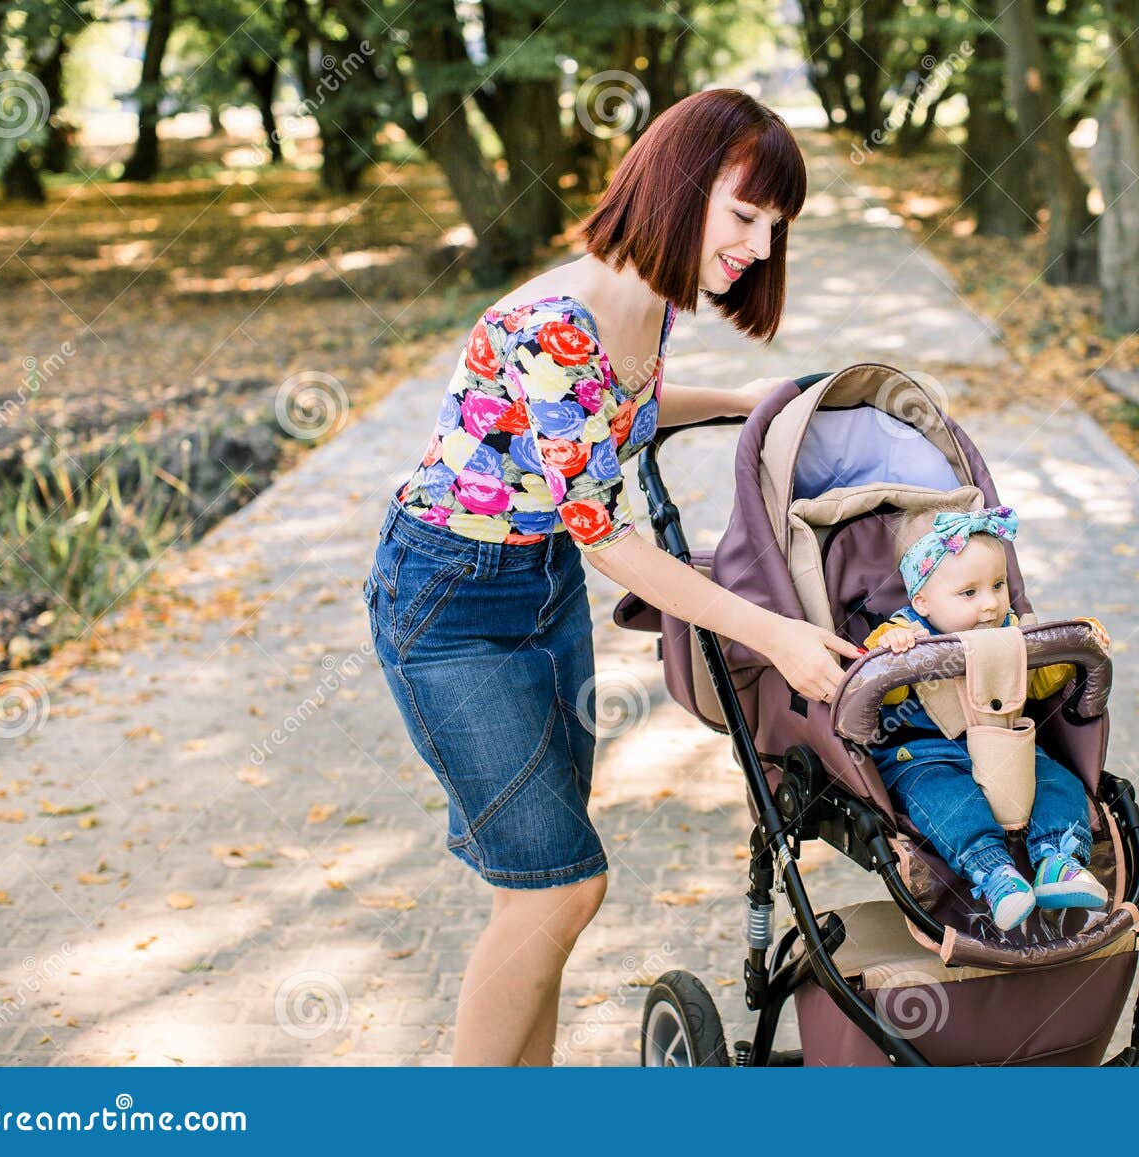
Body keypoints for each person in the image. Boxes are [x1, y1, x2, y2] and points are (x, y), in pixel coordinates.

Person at [363, 90, 860, 1065]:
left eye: (775, 227)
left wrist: (736, 399)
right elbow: (614, 541)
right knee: (560, 886)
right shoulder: (553, 323)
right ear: (682, 184)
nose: (759, 247)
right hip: (450, 603)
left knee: (535, 892)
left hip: (537, 589)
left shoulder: (649, 302)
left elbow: (610, 412)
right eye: (746, 214)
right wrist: (776, 632)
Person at [863, 506, 1109, 931]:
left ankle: (1057, 858)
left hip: (1005, 744)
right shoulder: (904, 633)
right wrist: (893, 649)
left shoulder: (1008, 631)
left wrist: (1076, 646)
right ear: (922, 599)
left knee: (1058, 781)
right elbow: (879, 685)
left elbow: (1038, 684)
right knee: (947, 802)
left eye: (998, 585)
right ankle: (994, 873)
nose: (992, 604)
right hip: (925, 755)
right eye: (969, 593)